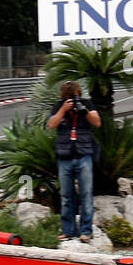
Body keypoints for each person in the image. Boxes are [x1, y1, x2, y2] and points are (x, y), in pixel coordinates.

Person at [47, 81, 101, 242]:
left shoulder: (86, 104)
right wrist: (63, 110)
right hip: (65, 157)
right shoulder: (58, 106)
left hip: (83, 155)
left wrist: (84, 111)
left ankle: (86, 231)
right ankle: (68, 231)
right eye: (69, 95)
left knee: (86, 195)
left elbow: (97, 122)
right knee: (66, 196)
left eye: (75, 94)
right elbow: (51, 124)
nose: (72, 98)